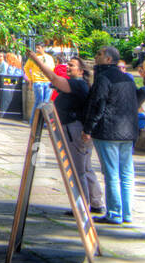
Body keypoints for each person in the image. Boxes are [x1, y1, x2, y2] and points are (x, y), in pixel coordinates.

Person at [26, 49, 103, 214]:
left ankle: (81, 207)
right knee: (86, 167)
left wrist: (36, 60)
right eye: (68, 64)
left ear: (81, 71)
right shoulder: (79, 84)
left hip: (74, 130)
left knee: (77, 170)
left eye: (72, 65)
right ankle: (96, 203)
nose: (68, 67)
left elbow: (53, 78)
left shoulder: (77, 84)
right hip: (76, 128)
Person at [83, 45, 140, 226]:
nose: (96, 56)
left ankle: (115, 213)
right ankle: (127, 213)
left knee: (112, 174)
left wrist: (88, 128)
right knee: (126, 173)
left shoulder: (103, 78)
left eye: (99, 54)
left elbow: (98, 104)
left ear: (108, 59)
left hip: (108, 131)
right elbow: (133, 105)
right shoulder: (128, 79)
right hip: (127, 132)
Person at [26, 46, 55, 118]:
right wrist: (30, 79)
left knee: (46, 103)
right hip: (38, 81)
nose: (37, 49)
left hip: (47, 82)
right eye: (36, 48)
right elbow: (26, 67)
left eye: (39, 48)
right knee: (38, 102)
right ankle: (33, 122)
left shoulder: (49, 58)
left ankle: (44, 121)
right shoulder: (33, 57)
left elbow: (52, 69)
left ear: (43, 48)